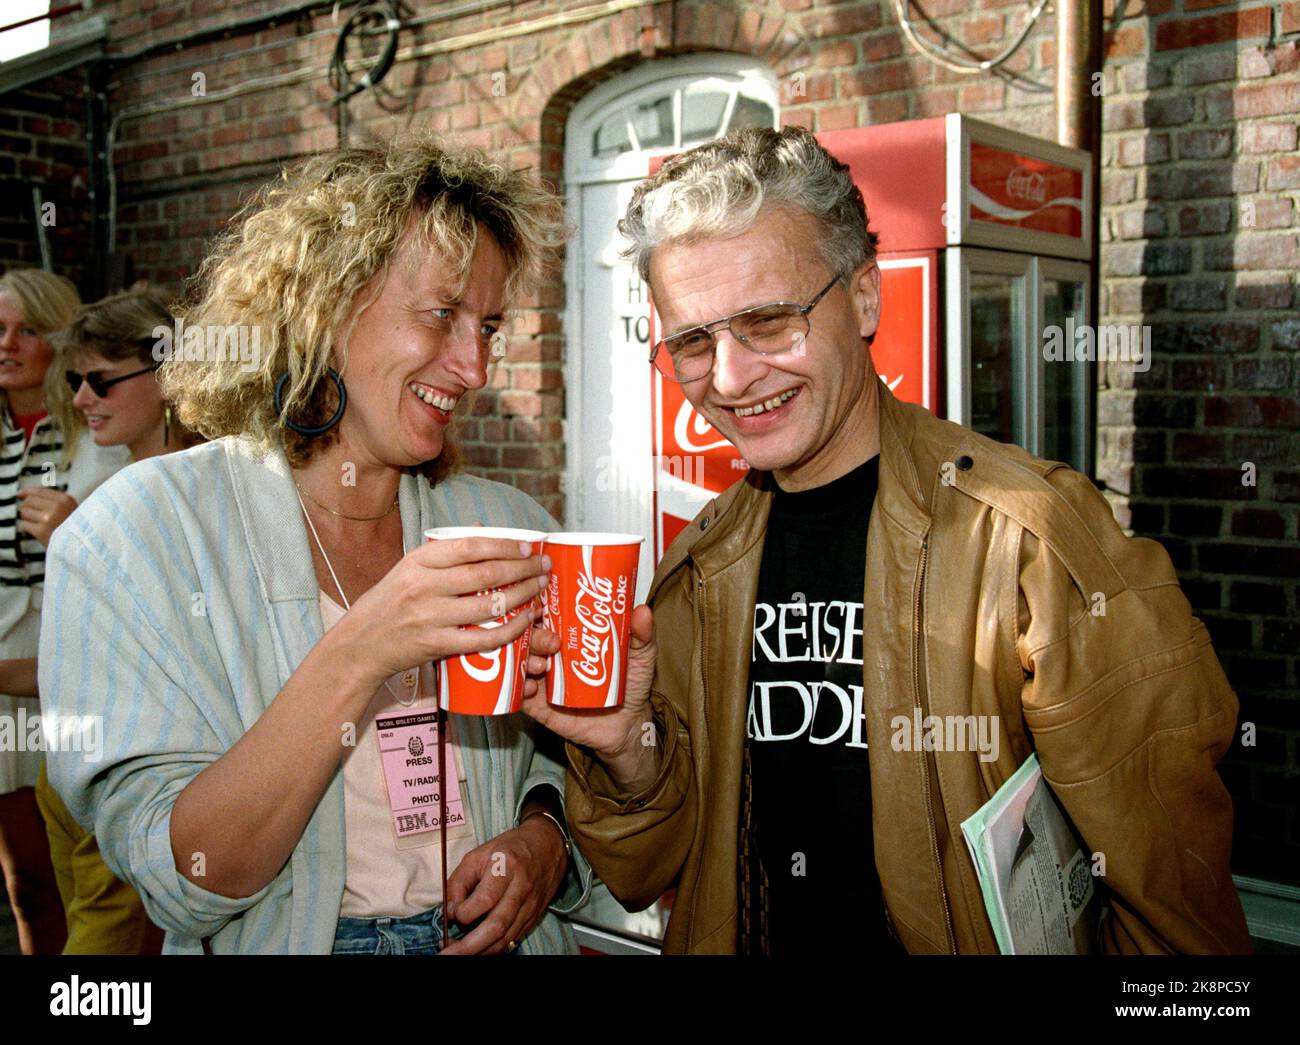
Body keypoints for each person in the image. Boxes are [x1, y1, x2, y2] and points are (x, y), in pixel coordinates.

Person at [527, 125, 1252, 955]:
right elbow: (645, 862)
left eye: (767, 321)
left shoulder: (1031, 544)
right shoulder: (698, 566)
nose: (728, 379)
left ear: (865, 296)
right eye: (693, 341)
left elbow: (1179, 923)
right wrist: (631, 750)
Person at [39, 135, 590, 955]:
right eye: (443, 315)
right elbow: (180, 877)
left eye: (490, 326)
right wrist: (360, 648)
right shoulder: (133, 536)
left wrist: (544, 840)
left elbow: (571, 763)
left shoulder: (510, 524)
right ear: (322, 308)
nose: (475, 366)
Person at [33, 285, 203, 954]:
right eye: (74, 379)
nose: (79, 399)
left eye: (99, 380)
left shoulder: (208, 488)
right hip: (64, 758)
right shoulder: (105, 491)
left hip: (140, 764)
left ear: (166, 375)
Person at [0, 268, 128, 954]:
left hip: (62, 660)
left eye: (26, 330)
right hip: (6, 668)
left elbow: (119, 557)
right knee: (25, 880)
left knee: (84, 882)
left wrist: (74, 528)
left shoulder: (93, 430)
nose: (7, 344)